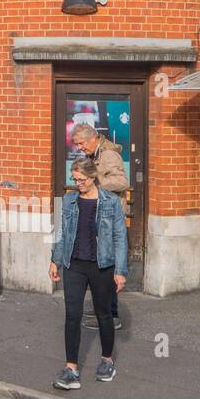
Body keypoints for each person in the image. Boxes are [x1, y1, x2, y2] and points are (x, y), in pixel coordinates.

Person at [49, 157, 127, 390]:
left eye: (82, 179)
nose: (78, 183)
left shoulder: (110, 202)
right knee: (72, 315)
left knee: (104, 314)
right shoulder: (69, 200)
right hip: (74, 265)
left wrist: (120, 271)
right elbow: (62, 233)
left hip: (101, 266)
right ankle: (71, 368)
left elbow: (119, 238)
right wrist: (55, 260)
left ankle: (106, 360)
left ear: (93, 177)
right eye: (75, 179)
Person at [70, 123, 128, 329]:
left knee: (107, 265)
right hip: (101, 216)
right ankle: (101, 308)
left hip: (110, 218)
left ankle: (111, 316)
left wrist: (95, 184)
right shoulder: (96, 154)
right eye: (77, 145)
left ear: (92, 138)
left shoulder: (108, 155)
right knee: (100, 264)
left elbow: (122, 182)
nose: (79, 148)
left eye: (81, 144)